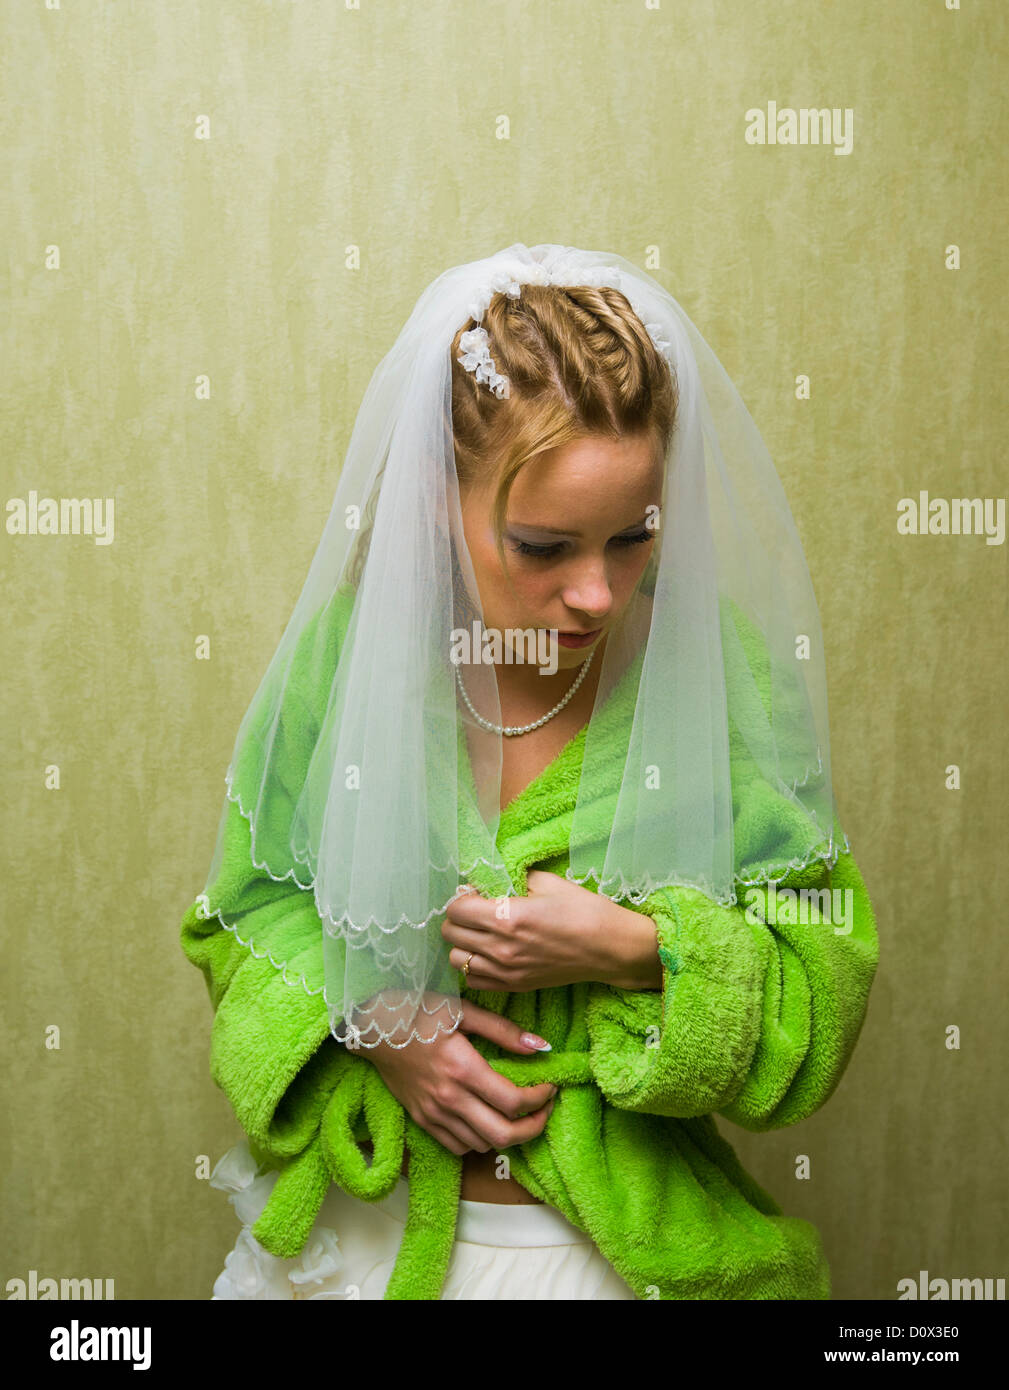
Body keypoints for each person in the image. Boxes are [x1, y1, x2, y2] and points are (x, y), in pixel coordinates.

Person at [179, 242, 879, 1299]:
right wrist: (378, 1023)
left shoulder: (720, 679)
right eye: (544, 546)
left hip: (610, 1255)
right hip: (362, 1242)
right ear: (434, 499)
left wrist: (642, 950)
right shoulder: (349, 665)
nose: (595, 595)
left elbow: (816, 992)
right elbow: (238, 922)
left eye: (632, 538)